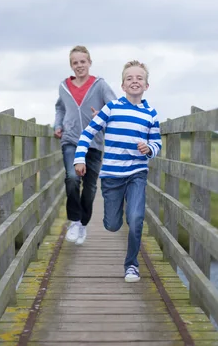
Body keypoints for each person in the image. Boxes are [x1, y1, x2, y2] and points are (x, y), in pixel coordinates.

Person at [73, 60, 162, 282]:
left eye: (139, 78)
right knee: (113, 225)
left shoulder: (151, 114)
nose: (135, 81)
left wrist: (149, 149)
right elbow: (87, 133)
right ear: (123, 86)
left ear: (146, 85)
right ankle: (116, 214)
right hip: (112, 175)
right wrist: (79, 157)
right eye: (129, 78)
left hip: (137, 173)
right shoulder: (111, 108)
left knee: (136, 217)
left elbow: (157, 144)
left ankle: (131, 265)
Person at [54, 45, 117, 245]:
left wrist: (102, 115)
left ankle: (82, 224)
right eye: (75, 62)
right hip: (71, 140)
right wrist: (58, 125)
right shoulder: (64, 86)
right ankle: (73, 220)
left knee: (89, 188)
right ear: (71, 65)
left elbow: (113, 106)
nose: (79, 65)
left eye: (83, 61)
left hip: (94, 142)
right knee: (72, 178)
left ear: (89, 62)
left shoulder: (100, 85)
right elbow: (60, 108)